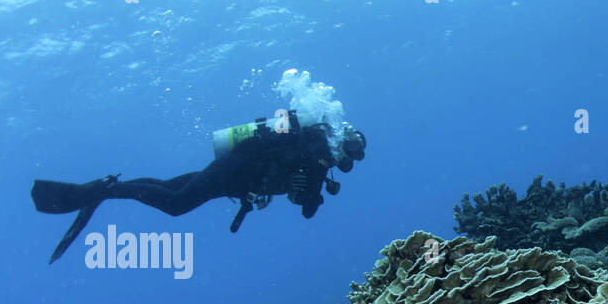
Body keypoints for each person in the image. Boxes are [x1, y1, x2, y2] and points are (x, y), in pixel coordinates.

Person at [31, 110, 366, 263]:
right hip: (236, 171)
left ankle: (106, 187)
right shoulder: (318, 157)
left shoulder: (314, 153)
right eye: (349, 155)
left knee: (171, 187)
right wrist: (317, 196)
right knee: (176, 204)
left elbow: (296, 192)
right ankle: (97, 192)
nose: (346, 162)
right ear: (343, 145)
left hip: (236, 175)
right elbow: (305, 205)